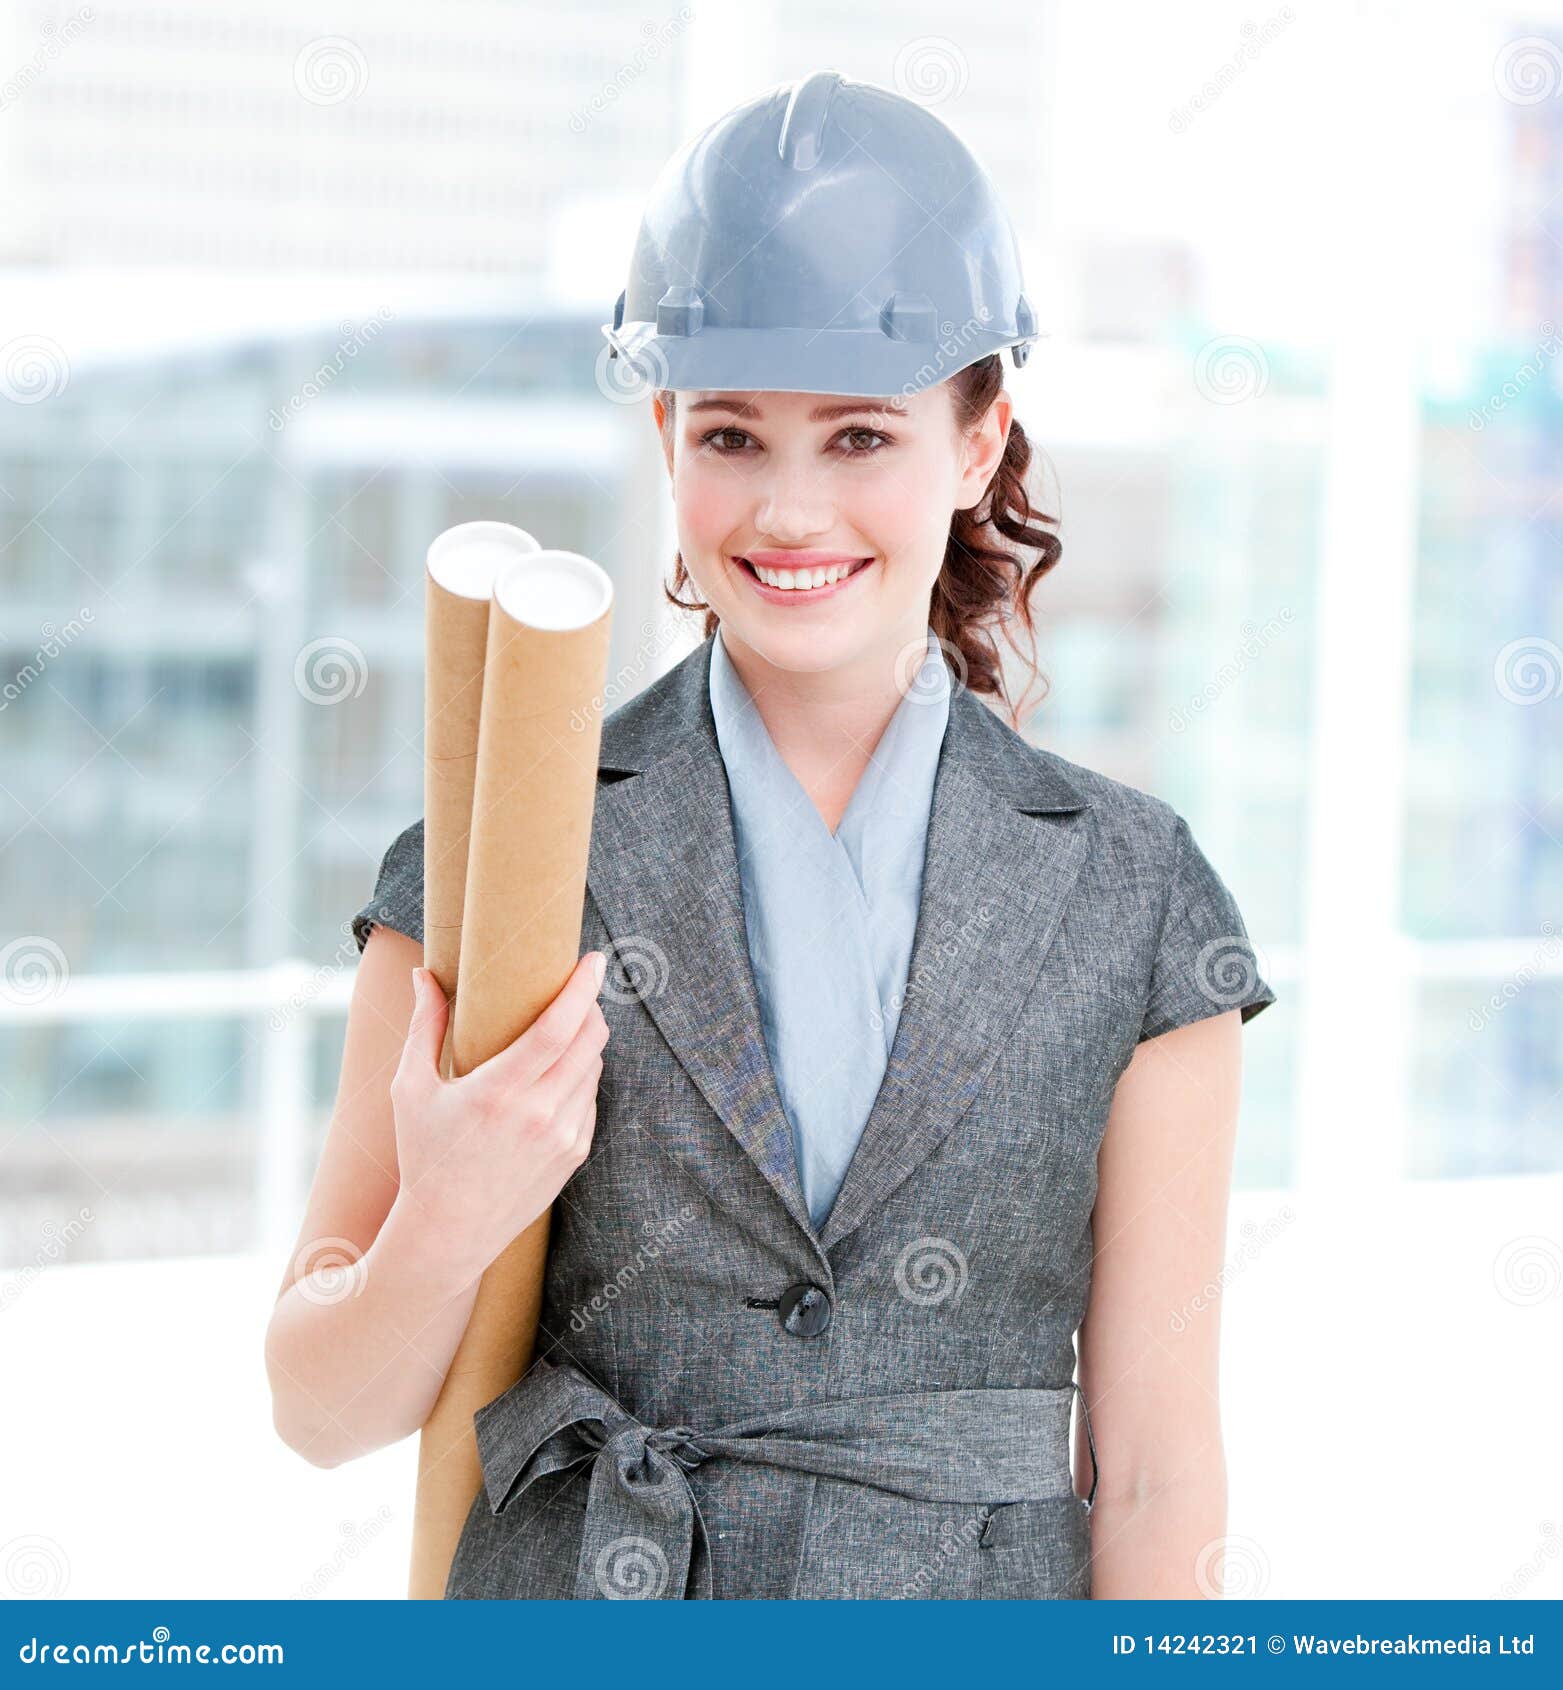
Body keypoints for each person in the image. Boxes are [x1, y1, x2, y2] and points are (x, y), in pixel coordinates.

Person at [265, 69, 1276, 1601]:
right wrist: (448, 1214)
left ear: (983, 435)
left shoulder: (1137, 901)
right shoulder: (497, 857)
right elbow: (317, 1405)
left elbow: (1149, 1474)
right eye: (733, 436)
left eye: (861, 436)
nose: (790, 513)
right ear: (665, 430)